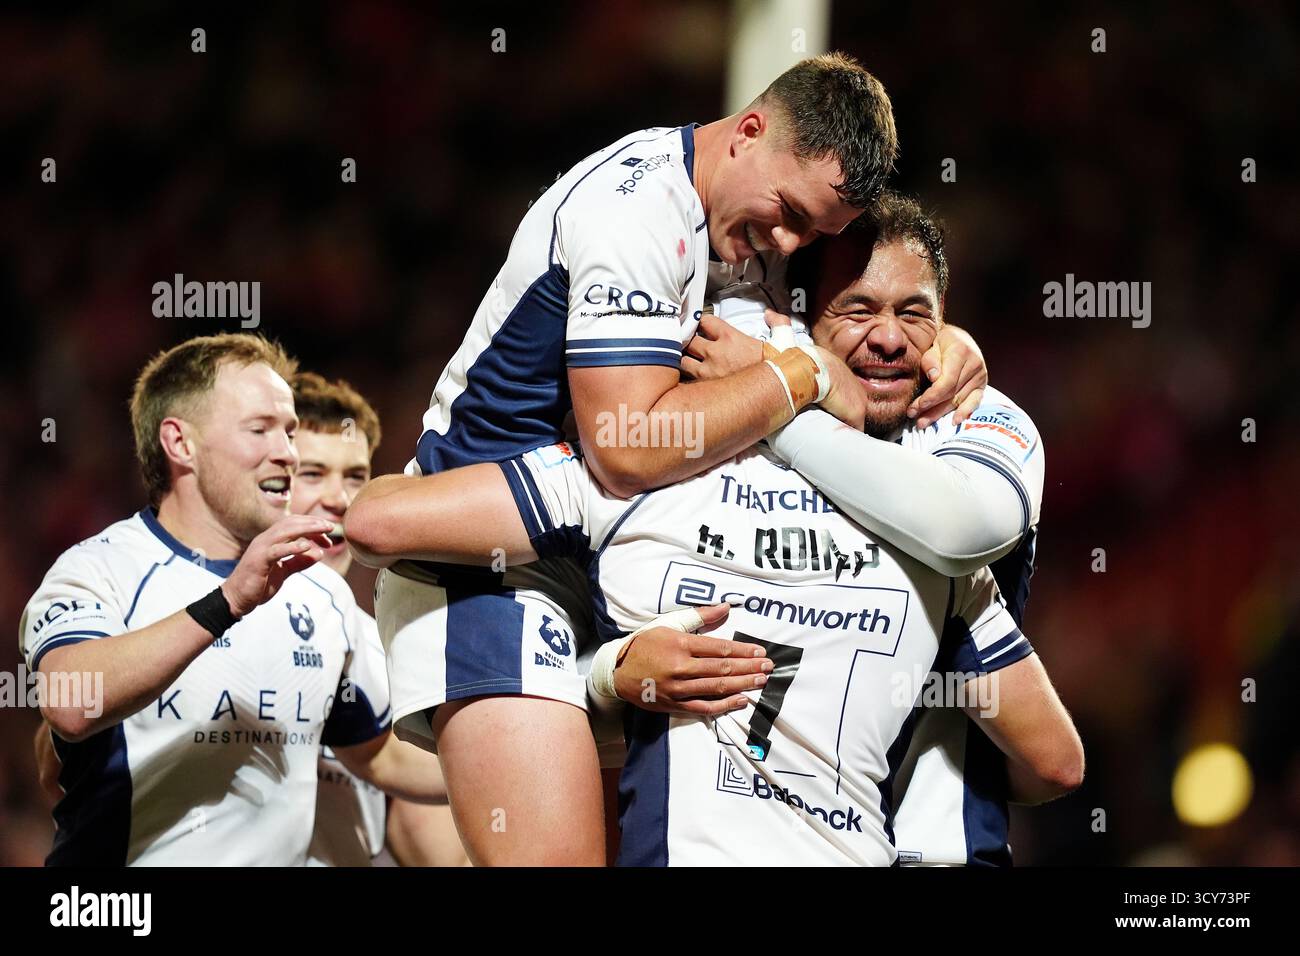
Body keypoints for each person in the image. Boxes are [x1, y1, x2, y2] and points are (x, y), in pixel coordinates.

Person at [382, 51, 988, 866]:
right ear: (747, 133)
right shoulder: (634, 211)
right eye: (787, 213)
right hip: (491, 573)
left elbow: (853, 327)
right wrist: (798, 376)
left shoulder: (762, 214)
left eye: (814, 232)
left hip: (602, 571)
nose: (787, 243)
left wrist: (942, 342)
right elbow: (630, 448)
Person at [346, 196, 1082, 864]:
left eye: (914, 315)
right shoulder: (653, 465)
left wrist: (788, 386)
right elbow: (1050, 760)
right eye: (857, 309)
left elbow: (383, 520)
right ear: (796, 317)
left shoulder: (961, 432)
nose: (889, 337)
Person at [21, 334, 445, 866]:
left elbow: (380, 754)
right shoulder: (101, 568)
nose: (286, 453)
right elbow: (68, 704)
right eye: (260, 430)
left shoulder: (321, 593)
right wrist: (228, 601)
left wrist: (542, 758)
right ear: (180, 444)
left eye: (289, 432)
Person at [289, 372, 468, 867]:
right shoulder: (190, 614)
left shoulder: (390, 655)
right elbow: (60, 762)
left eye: (354, 477)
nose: (339, 500)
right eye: (311, 473)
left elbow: (437, 850)